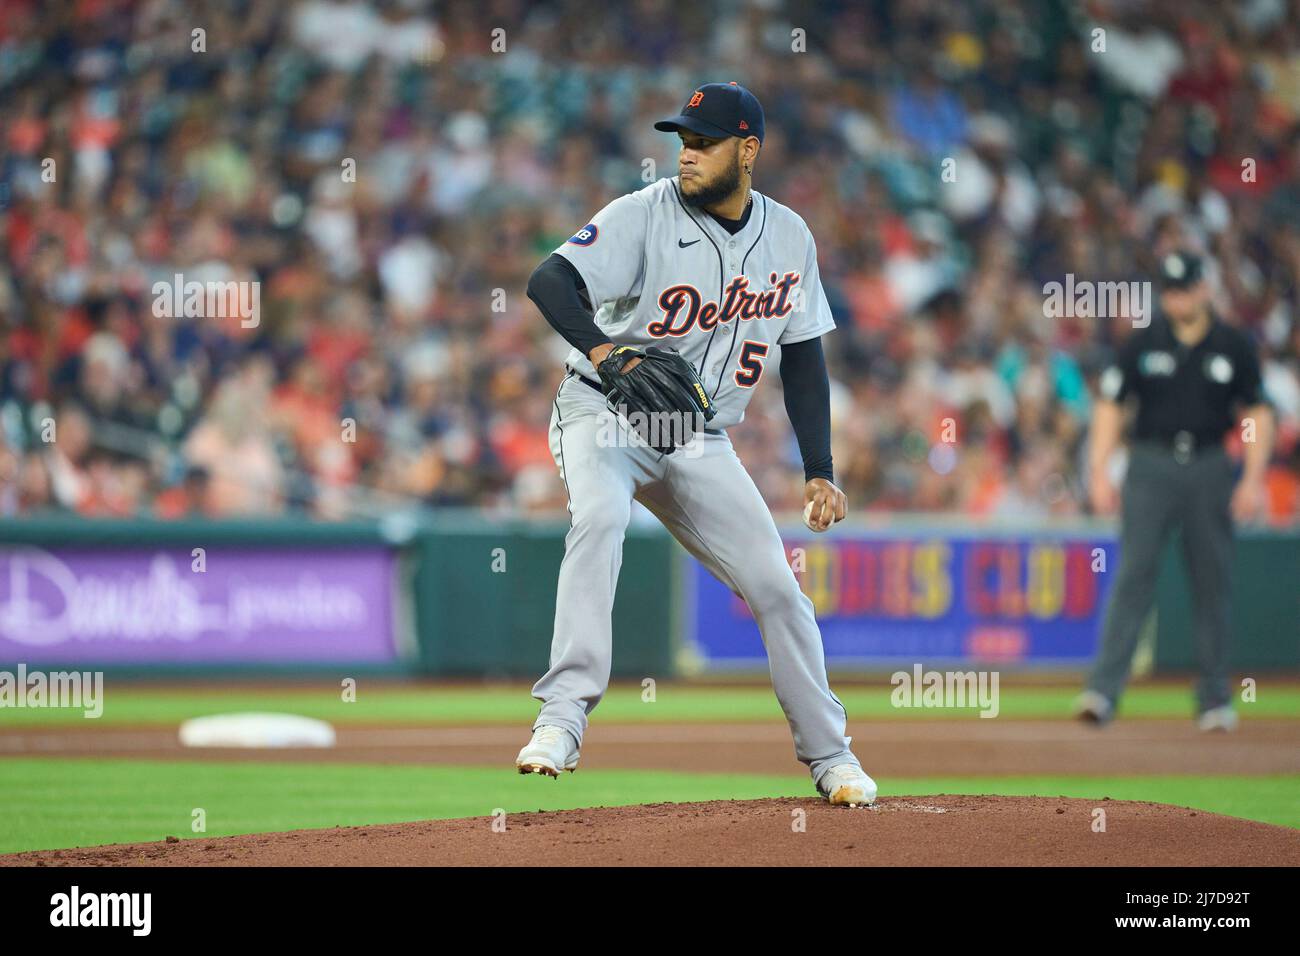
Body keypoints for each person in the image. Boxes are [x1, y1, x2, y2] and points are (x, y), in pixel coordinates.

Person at [517, 83, 876, 806]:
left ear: (747, 150)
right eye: (683, 139)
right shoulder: (642, 214)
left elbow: (803, 357)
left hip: (696, 437)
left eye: (704, 141)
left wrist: (820, 469)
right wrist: (603, 351)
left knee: (777, 589)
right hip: (606, 415)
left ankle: (831, 758)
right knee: (601, 519)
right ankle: (560, 720)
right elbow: (548, 280)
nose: (687, 152)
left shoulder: (791, 237)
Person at [1076, 250, 1274, 732]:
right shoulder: (1143, 343)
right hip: (1151, 463)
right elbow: (1111, 405)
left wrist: (1251, 478)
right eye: (1168, 290)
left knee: (1211, 582)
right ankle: (1103, 691)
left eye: (1184, 287)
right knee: (1134, 578)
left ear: (1204, 288)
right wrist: (1099, 470)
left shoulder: (1232, 345)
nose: (1176, 297)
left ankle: (1213, 698)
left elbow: (1256, 414)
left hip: (1209, 462)